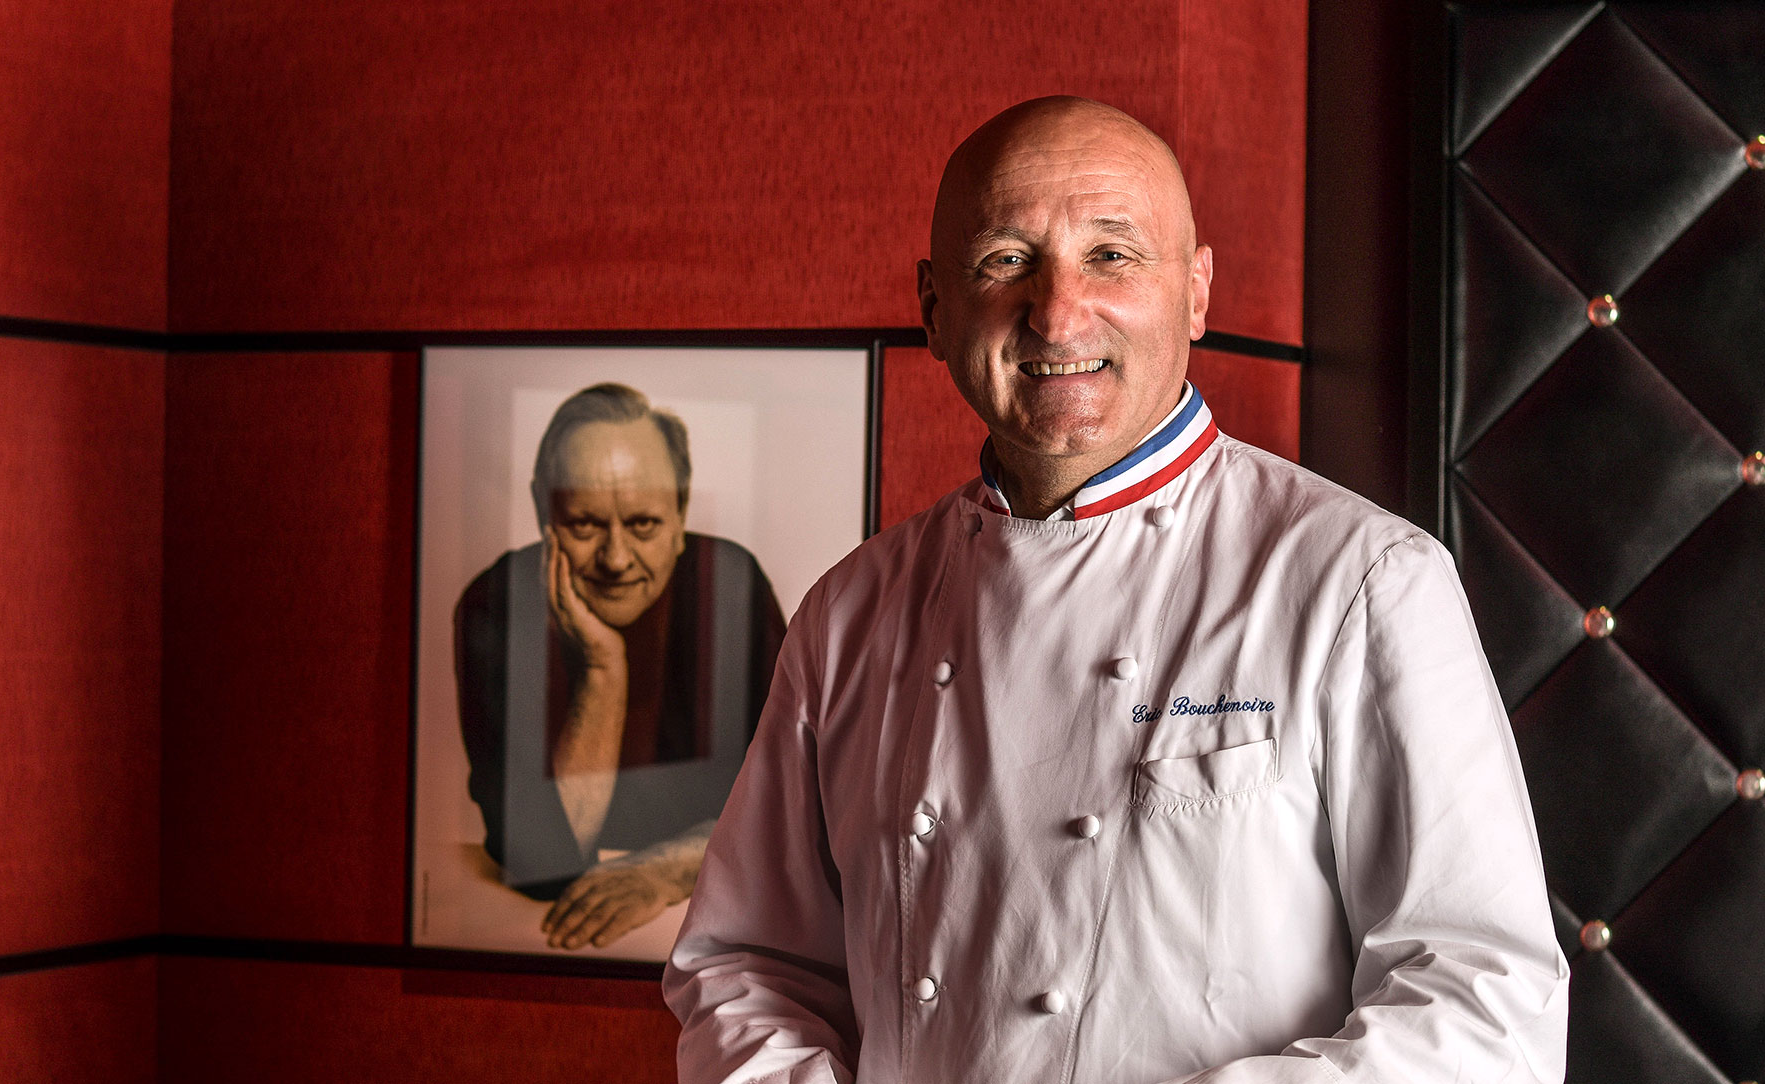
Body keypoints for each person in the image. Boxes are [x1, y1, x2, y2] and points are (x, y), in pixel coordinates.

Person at [662, 97, 1569, 1082]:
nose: (1056, 313)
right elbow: (748, 966)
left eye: (1110, 255)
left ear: (1196, 292)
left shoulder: (1361, 580)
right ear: (934, 308)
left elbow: (1484, 1010)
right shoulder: (850, 612)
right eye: (1005, 259)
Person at [454, 383, 785, 950]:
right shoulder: (496, 601)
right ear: (542, 511)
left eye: (644, 524)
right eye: (584, 524)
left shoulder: (729, 582)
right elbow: (543, 865)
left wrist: (665, 872)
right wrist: (602, 669)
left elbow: (795, 801)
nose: (615, 559)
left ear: (681, 513)